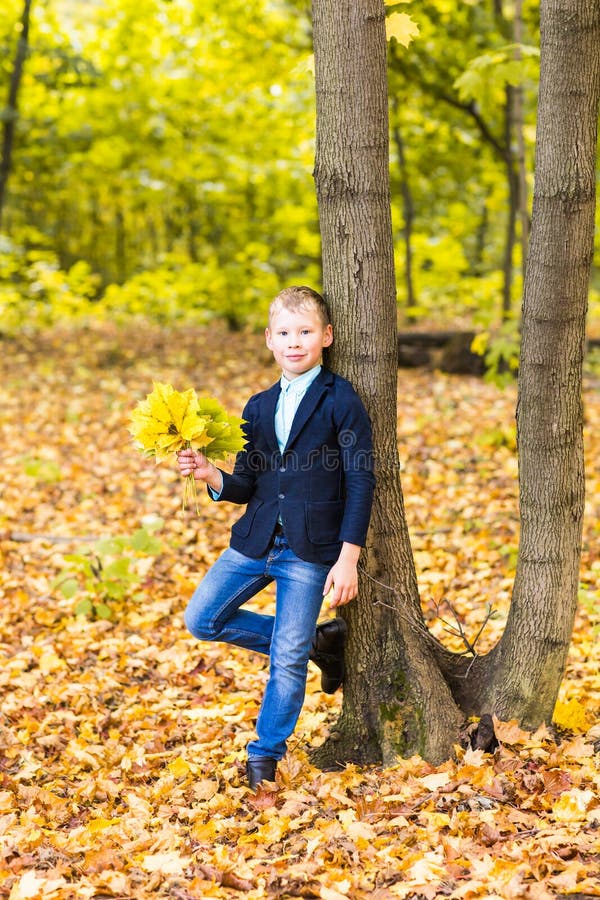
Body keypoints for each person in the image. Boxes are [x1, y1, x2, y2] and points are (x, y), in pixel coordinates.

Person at [177, 286, 375, 790]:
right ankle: (312, 642)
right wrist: (209, 474)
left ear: (326, 336)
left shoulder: (340, 398)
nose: (295, 342)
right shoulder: (259, 406)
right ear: (269, 339)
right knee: (202, 619)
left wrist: (348, 558)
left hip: (310, 552)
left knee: (285, 663)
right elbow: (246, 483)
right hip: (255, 541)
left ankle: (265, 753)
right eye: (284, 333)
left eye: (305, 332)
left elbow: (360, 478)